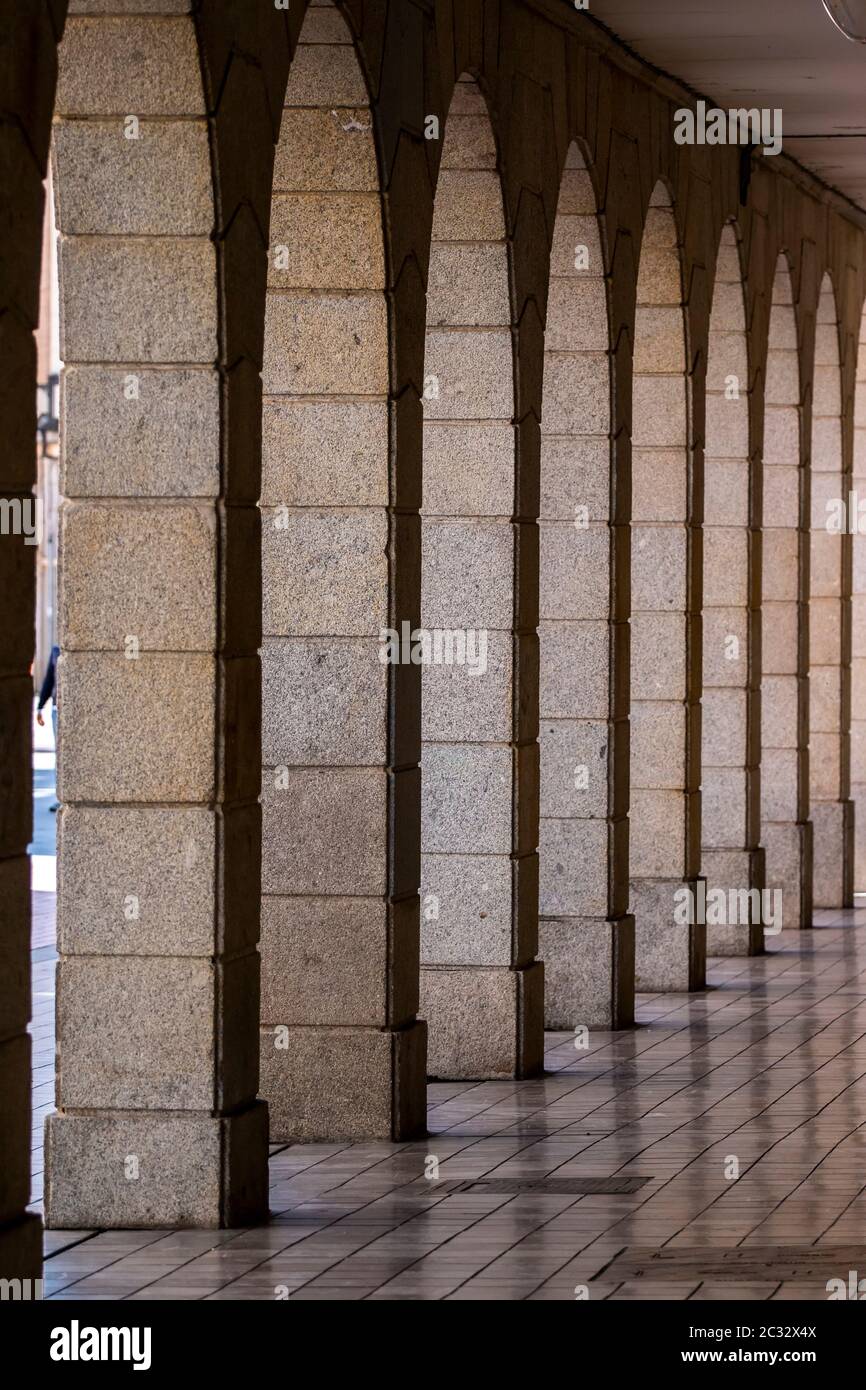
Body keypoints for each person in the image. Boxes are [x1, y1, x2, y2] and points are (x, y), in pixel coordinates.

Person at [36, 643, 60, 812]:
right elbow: (49, 680)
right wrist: (40, 706)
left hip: (71, 710)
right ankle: (59, 796)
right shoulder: (56, 651)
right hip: (57, 710)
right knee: (60, 755)